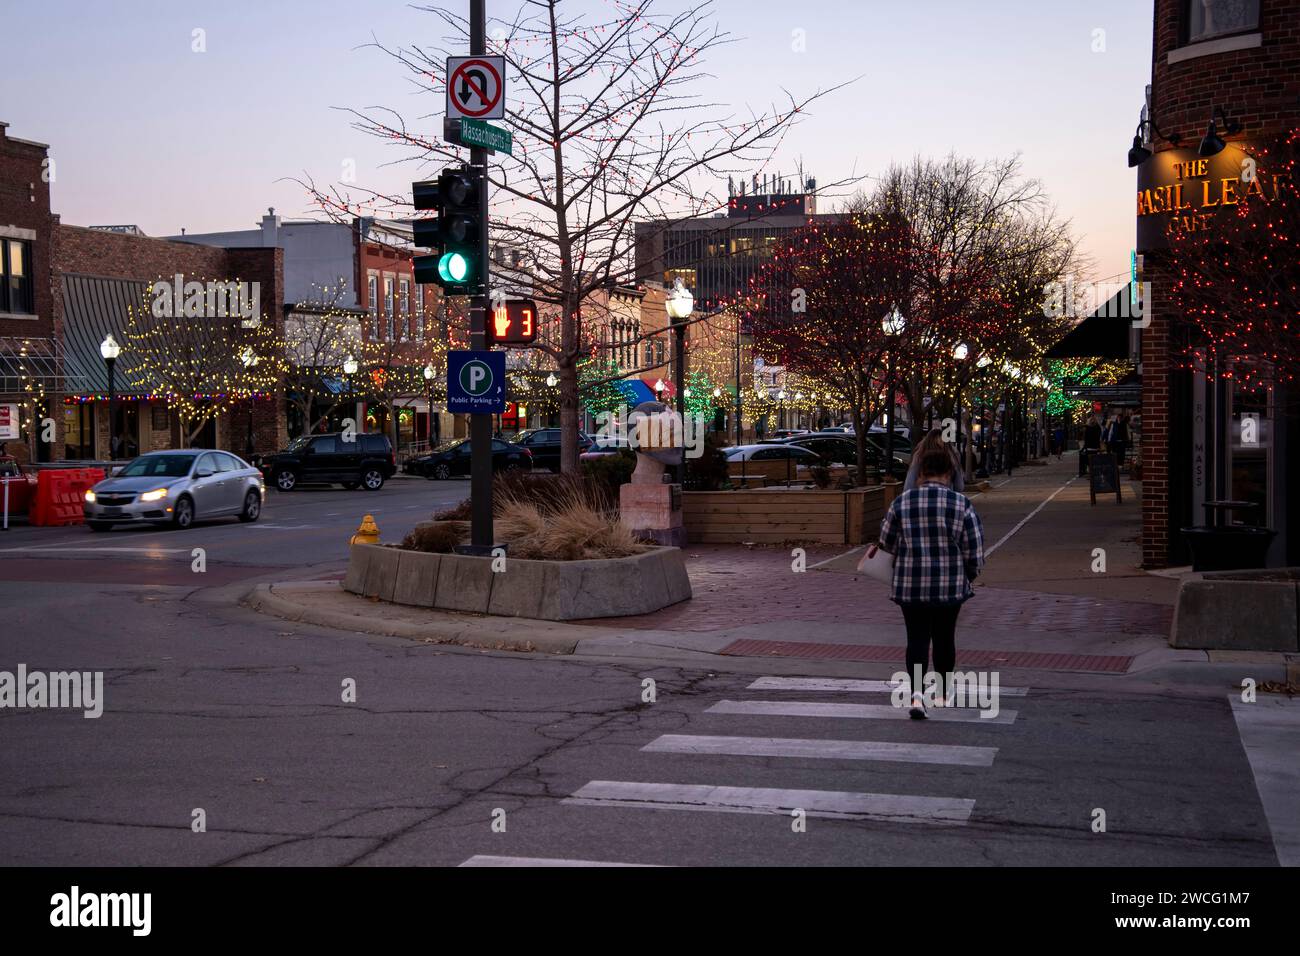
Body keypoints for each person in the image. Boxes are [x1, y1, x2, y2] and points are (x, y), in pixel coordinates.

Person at [878, 445, 985, 720]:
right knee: (944, 638)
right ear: (949, 472)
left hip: (910, 584)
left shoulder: (901, 502)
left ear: (921, 473)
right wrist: (968, 575)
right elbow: (973, 550)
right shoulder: (961, 504)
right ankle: (942, 693)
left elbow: (886, 543)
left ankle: (916, 696)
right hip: (949, 585)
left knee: (916, 639)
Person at [902, 428, 964, 492]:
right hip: (947, 497)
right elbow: (959, 487)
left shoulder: (919, 456)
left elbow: (909, 486)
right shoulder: (952, 454)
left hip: (921, 497)